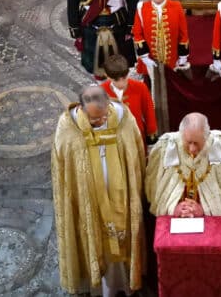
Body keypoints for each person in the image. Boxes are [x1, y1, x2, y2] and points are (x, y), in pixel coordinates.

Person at [51, 83, 145, 296]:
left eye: (103, 117)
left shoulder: (123, 119)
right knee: (94, 239)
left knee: (123, 241)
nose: (101, 122)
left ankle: (126, 283)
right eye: (95, 120)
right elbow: (63, 168)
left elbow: (136, 153)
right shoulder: (68, 129)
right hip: (89, 203)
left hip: (121, 198)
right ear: (81, 108)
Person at [145, 112, 221, 217]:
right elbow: (154, 191)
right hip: (174, 219)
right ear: (181, 135)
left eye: (196, 143)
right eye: (188, 142)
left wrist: (205, 209)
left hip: (209, 219)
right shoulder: (164, 148)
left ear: (206, 137)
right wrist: (173, 209)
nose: (192, 149)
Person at [131, 0, 190, 99]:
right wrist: (144, 57)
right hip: (150, 59)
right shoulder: (141, 8)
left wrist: (183, 56)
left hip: (171, 59)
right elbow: (137, 33)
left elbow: (183, 33)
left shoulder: (177, 7)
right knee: (149, 89)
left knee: (171, 89)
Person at [100, 53, 157, 143]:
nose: (121, 83)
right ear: (107, 76)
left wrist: (151, 134)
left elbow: (149, 111)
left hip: (137, 136)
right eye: (116, 80)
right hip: (114, 140)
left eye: (124, 78)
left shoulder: (140, 87)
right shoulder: (100, 91)